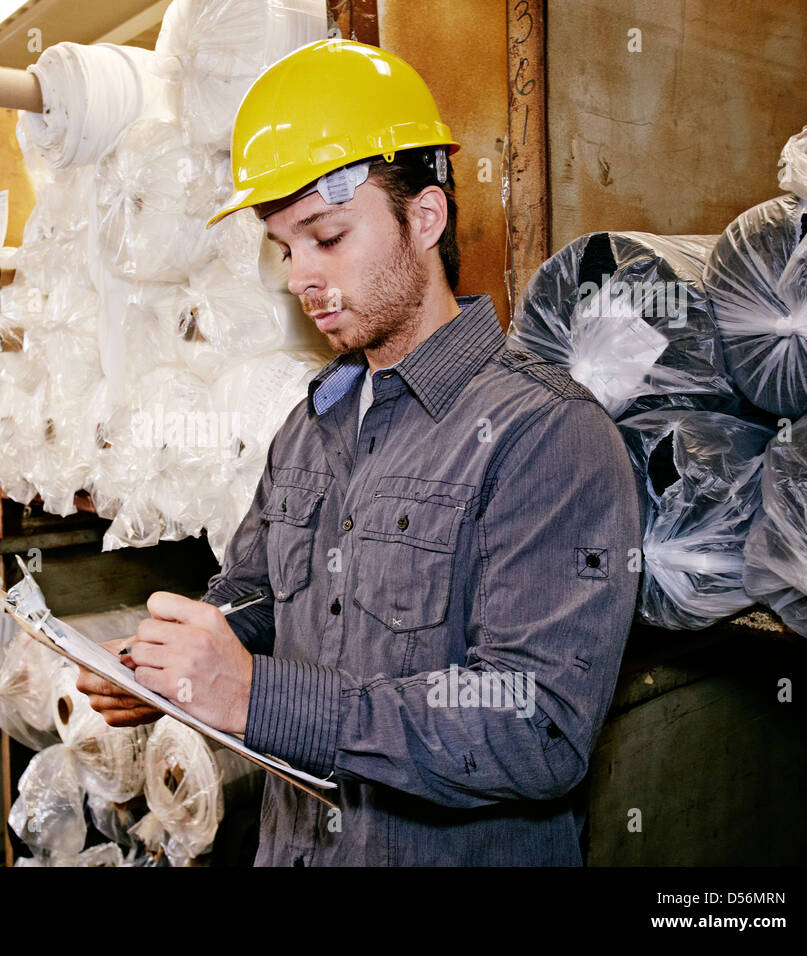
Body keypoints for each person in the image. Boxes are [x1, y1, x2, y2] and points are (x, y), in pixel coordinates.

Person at [76, 39, 642, 865]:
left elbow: (538, 729)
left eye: (328, 236)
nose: (305, 278)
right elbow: (257, 597)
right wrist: (167, 665)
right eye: (285, 249)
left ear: (426, 218)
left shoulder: (546, 434)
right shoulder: (314, 424)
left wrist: (260, 697)